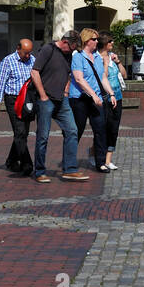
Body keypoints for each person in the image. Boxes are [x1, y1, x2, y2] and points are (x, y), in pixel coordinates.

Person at [30, 31, 90, 183]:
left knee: (72, 131)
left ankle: (70, 170)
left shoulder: (68, 54)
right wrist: (43, 95)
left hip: (61, 100)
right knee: (43, 136)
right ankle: (39, 171)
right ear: (64, 41)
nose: (71, 51)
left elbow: (68, 74)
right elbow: (34, 72)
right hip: (46, 99)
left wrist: (65, 91)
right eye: (71, 48)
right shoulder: (48, 49)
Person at [69, 28, 113, 173]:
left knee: (100, 130)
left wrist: (111, 94)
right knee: (77, 131)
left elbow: (103, 78)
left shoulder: (98, 57)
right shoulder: (78, 57)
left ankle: (100, 162)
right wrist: (93, 95)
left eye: (97, 39)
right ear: (87, 41)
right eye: (94, 39)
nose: (97, 42)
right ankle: (69, 162)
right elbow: (79, 79)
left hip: (97, 100)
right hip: (80, 99)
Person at [0, 39, 35, 175]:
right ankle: (27, 164)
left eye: (29, 53)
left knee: (23, 133)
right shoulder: (8, 61)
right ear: (18, 48)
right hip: (13, 99)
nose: (27, 56)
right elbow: (1, 82)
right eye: (25, 53)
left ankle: (11, 160)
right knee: (20, 132)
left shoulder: (32, 60)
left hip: (27, 99)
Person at [101, 36, 126, 169]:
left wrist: (118, 62)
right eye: (110, 41)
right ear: (104, 43)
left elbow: (124, 75)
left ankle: (108, 160)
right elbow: (102, 76)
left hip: (118, 96)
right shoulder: (97, 58)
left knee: (114, 128)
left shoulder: (113, 57)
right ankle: (96, 152)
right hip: (104, 97)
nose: (112, 43)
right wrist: (105, 63)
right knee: (102, 127)